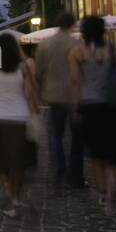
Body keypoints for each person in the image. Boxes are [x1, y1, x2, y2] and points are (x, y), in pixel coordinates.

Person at [70, 16, 116, 216]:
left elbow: (75, 82)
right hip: (113, 107)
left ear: (84, 32)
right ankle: (112, 190)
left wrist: (75, 108)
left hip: (91, 107)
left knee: (96, 154)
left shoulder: (78, 53)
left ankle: (102, 192)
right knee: (114, 155)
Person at [0, 32, 40, 217]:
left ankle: (9, 194)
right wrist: (36, 111)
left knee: (2, 162)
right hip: (21, 118)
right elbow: (31, 92)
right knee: (19, 163)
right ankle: (15, 195)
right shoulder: (23, 67)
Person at [34, 10, 82, 187]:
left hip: (53, 94)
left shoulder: (45, 44)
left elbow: (38, 72)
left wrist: (38, 92)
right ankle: (76, 175)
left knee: (56, 136)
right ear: (72, 24)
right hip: (76, 95)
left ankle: (59, 170)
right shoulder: (77, 44)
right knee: (77, 138)